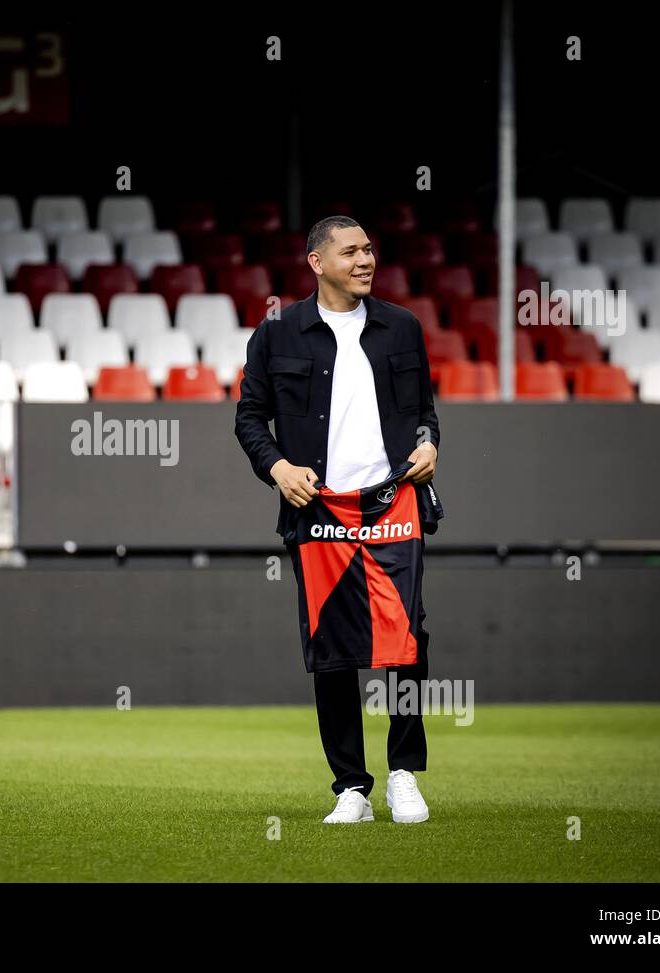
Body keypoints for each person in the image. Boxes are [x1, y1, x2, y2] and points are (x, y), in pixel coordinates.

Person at [234, 216, 441, 825]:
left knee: (405, 645)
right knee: (332, 649)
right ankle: (352, 786)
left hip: (392, 502)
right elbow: (249, 417)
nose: (365, 260)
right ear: (316, 262)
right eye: (350, 251)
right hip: (319, 507)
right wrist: (277, 469)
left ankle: (404, 775)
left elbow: (425, 412)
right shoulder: (277, 333)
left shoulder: (402, 327)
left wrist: (430, 444)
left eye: (369, 250)